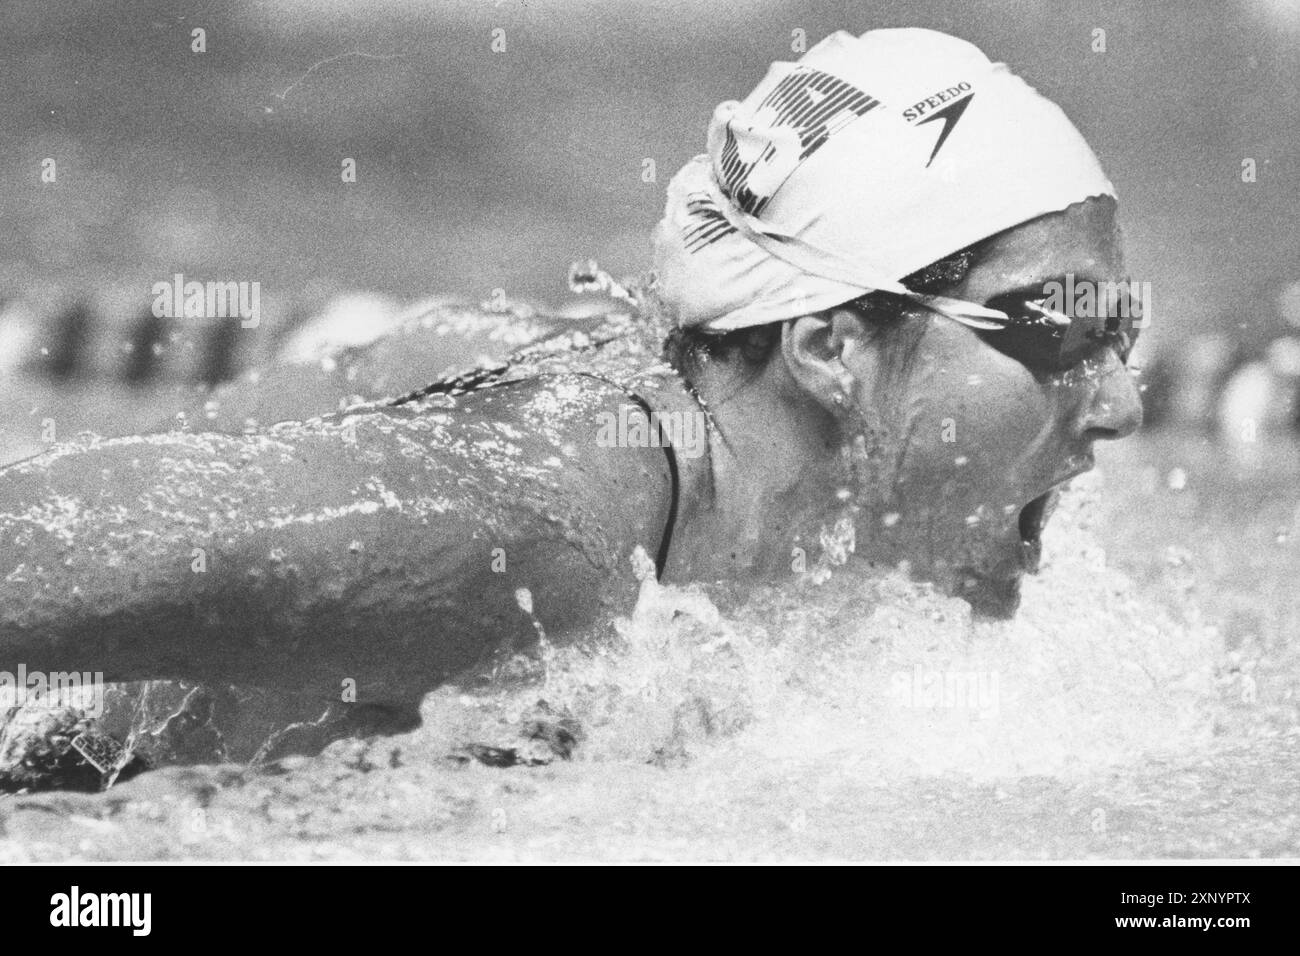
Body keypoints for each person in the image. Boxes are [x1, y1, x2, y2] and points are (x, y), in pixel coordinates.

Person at [0, 29, 1142, 720]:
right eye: (1060, 332)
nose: (1122, 403)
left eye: (1124, 329)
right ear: (829, 347)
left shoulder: (721, 489)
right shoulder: (524, 532)